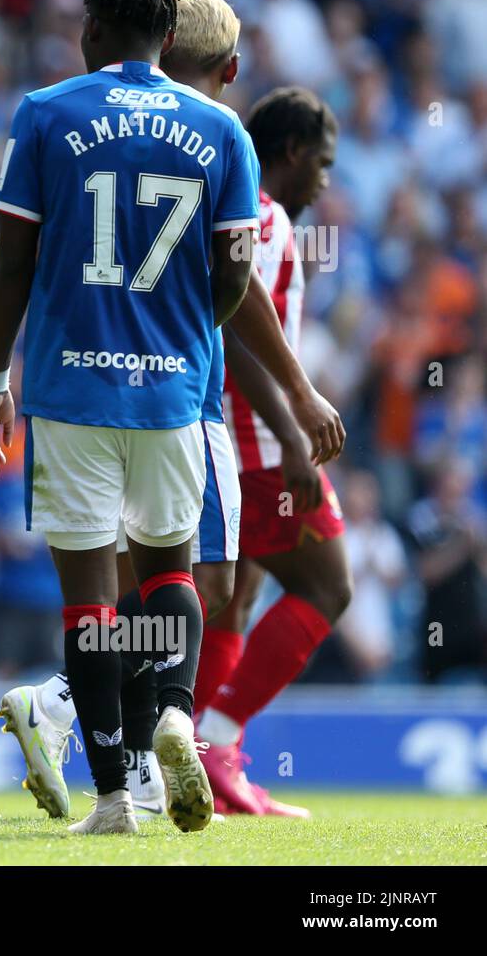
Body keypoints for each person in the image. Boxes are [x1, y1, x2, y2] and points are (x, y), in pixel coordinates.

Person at [0, 0, 345, 822]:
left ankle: (125, 753)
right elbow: (239, 290)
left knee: (147, 587)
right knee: (202, 583)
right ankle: (156, 727)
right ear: (228, 69)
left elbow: (17, 257)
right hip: (192, 408)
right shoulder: (229, 161)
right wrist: (297, 402)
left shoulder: (67, 122)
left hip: (88, 394)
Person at [0, 0, 259, 834]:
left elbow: (13, 261)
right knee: (171, 568)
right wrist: (182, 334)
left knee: (92, 599)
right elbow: (236, 270)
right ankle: (175, 708)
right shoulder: (221, 129)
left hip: (70, 389)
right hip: (173, 392)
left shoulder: (47, 113)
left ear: (90, 29)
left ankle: (109, 800)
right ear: (170, 39)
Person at [195, 86, 350, 818]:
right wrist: (292, 429)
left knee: (233, 603)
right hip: (254, 438)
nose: (326, 178)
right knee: (328, 585)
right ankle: (214, 740)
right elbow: (229, 322)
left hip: (236, 433)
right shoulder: (260, 213)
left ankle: (196, 767)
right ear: (290, 152)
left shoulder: (256, 207)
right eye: (322, 162)